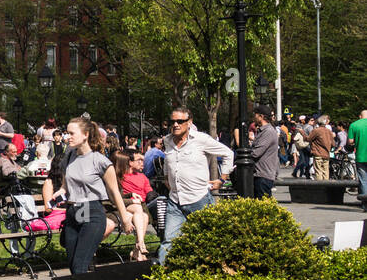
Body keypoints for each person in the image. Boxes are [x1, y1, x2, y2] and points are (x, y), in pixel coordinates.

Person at [157, 108, 234, 265]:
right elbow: (167, 161)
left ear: (189, 122)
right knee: (169, 240)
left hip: (199, 199)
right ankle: (160, 276)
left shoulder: (201, 139)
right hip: (175, 201)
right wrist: (166, 177)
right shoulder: (167, 140)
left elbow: (228, 153)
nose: (176, 124)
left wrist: (222, 179)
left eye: (180, 121)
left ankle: (215, 275)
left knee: (210, 241)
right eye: (173, 121)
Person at [62, 118, 135, 274]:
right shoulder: (68, 157)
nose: (67, 137)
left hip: (91, 210)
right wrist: (58, 193)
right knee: (73, 265)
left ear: (85, 135)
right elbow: (64, 186)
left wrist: (125, 219)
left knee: (80, 265)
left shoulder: (100, 161)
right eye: (66, 133)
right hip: (73, 211)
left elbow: (114, 192)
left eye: (71, 133)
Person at [116, 151, 152, 261]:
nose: (142, 163)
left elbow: (149, 192)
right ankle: (140, 245)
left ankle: (137, 250)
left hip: (142, 206)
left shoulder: (143, 177)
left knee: (144, 216)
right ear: (130, 162)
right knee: (138, 208)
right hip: (127, 205)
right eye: (139, 160)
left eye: (143, 160)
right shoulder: (122, 177)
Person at [249, 105, 280, 198]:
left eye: (255, 115)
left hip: (263, 175)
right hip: (259, 173)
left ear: (261, 116)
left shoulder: (268, 131)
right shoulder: (262, 130)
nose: (254, 118)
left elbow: (256, 152)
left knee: (262, 206)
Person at [307, 115, 334, 181]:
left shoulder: (316, 131)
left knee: (318, 171)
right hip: (326, 154)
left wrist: (302, 132)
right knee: (326, 171)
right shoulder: (329, 131)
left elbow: (308, 139)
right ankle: (326, 187)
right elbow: (333, 144)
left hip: (318, 153)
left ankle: (320, 187)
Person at [348, 110, 367, 199]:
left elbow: (350, 141)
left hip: (361, 156)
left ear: (360, 116)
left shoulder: (354, 125)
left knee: (363, 180)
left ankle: (365, 203)